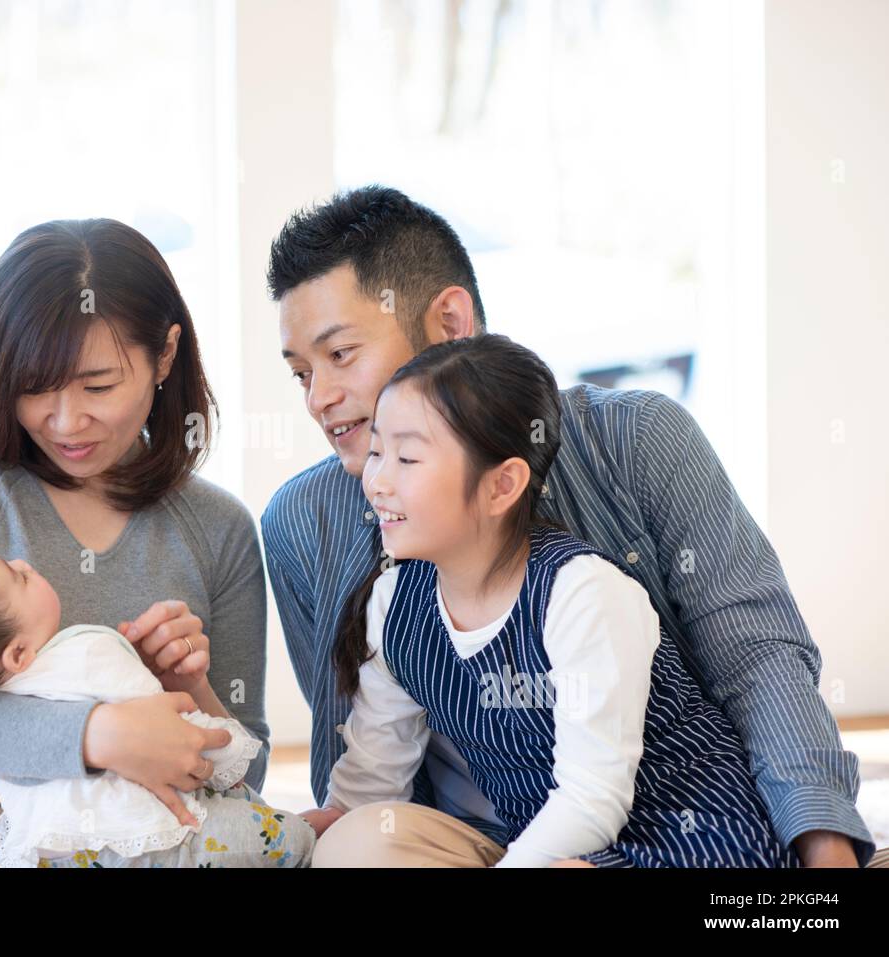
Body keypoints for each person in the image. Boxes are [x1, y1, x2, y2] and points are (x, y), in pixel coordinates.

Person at [261, 185, 880, 867]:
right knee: (354, 850)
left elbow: (759, 663)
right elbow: (361, 768)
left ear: (450, 323)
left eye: (341, 354)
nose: (319, 400)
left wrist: (825, 866)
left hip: (681, 834)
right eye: (299, 375)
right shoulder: (305, 525)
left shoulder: (632, 448)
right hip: (486, 842)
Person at [306, 334, 801, 867]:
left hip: (693, 844)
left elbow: (593, 799)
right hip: (546, 849)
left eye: (406, 457)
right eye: (377, 451)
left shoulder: (583, 593)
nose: (377, 481)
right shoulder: (393, 604)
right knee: (354, 845)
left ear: (502, 485)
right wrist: (292, 834)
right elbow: (371, 786)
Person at [0, 218, 271, 866]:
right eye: (34, 386)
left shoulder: (219, 529)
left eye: (97, 386)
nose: (65, 420)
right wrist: (101, 734)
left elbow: (242, 777)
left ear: (165, 355)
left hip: (159, 831)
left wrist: (186, 689)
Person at [0, 543, 313, 868]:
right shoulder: (87, 650)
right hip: (154, 839)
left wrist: (193, 681)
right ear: (18, 655)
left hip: (50, 852)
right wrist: (232, 748)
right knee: (289, 839)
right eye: (17, 577)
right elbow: (190, 739)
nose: (24, 562)